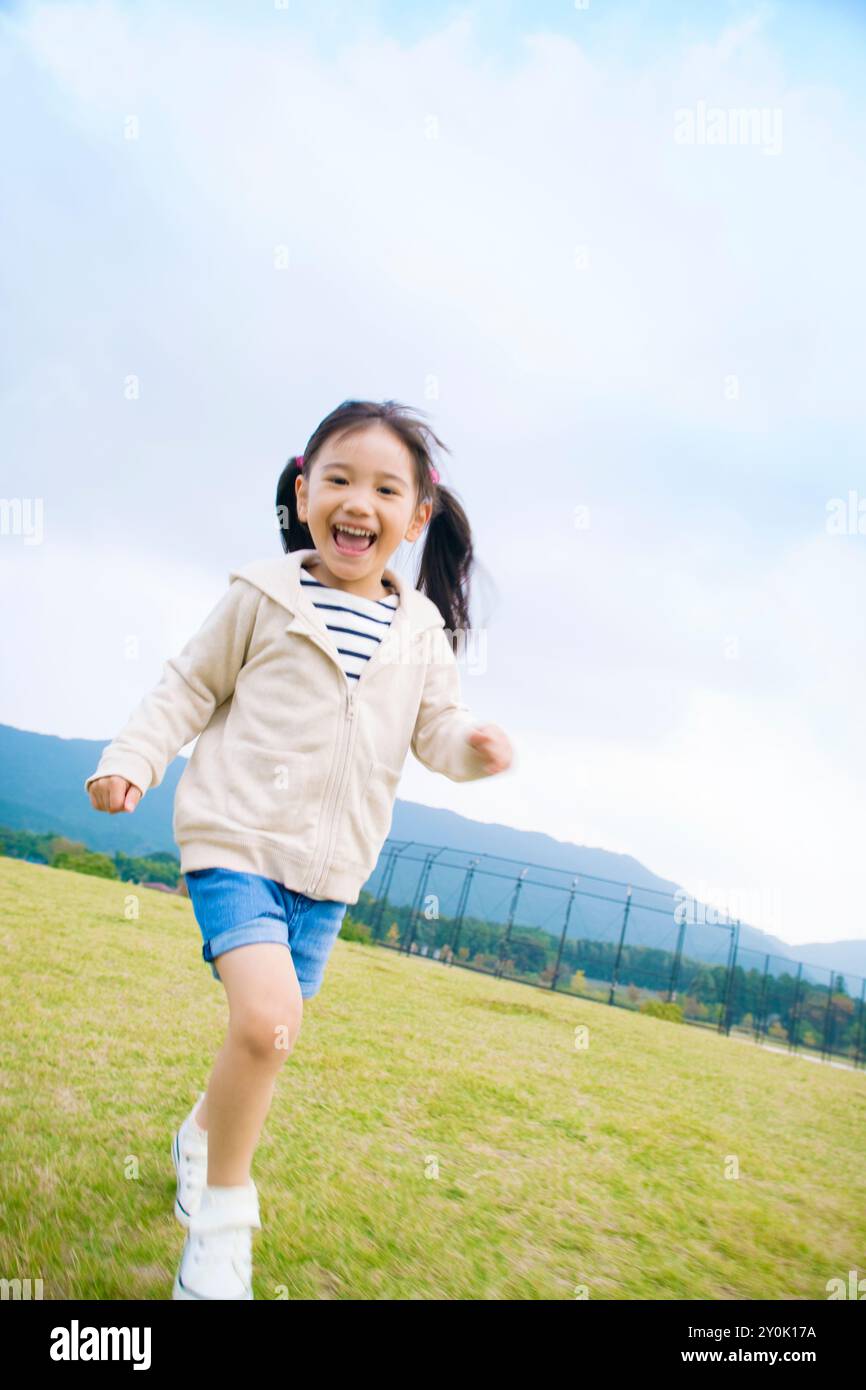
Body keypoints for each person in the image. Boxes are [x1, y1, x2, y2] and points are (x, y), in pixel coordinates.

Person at [84, 398, 514, 1300]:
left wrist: (473, 751)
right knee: (265, 1021)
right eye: (340, 479)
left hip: (328, 873)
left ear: (417, 515)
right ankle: (223, 1228)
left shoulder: (421, 632)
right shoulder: (263, 594)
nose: (360, 502)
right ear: (304, 488)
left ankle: (201, 1138)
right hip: (235, 841)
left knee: (268, 1036)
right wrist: (133, 758)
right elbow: (185, 687)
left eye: (385, 488)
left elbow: (436, 732)